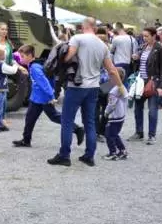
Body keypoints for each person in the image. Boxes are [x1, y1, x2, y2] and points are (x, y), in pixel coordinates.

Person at [47, 17, 124, 167]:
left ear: (83, 27)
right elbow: (111, 70)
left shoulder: (77, 38)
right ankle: (89, 155)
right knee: (89, 122)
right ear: (94, 28)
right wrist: (121, 87)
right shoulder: (102, 46)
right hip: (93, 87)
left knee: (67, 120)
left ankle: (64, 155)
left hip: (76, 86)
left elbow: (68, 57)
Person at [11, 44, 84, 147]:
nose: (20, 59)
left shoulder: (35, 67)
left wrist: (51, 96)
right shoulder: (35, 64)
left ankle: (77, 129)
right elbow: (13, 55)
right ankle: (26, 140)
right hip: (36, 98)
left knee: (54, 116)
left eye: (22, 57)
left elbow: (44, 83)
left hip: (43, 98)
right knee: (30, 118)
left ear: (29, 55)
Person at [128, 27, 162, 145]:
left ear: (154, 36)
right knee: (138, 108)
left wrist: (161, 86)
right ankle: (139, 132)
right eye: (143, 36)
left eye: (146, 36)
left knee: (152, 109)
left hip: (153, 82)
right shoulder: (143, 47)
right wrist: (136, 59)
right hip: (140, 81)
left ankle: (152, 135)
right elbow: (140, 64)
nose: (144, 38)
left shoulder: (161, 49)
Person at [0, 46, 26, 133]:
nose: (5, 56)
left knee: (0, 107)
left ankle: (0, 124)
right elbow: (13, 71)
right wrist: (16, 64)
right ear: (0, 55)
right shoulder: (1, 65)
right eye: (4, 54)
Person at [103, 67, 128, 161]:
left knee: (109, 135)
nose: (109, 79)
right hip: (121, 116)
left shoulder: (113, 91)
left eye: (111, 77)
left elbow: (111, 104)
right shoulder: (122, 88)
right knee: (115, 134)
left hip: (114, 117)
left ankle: (112, 152)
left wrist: (106, 112)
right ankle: (122, 150)